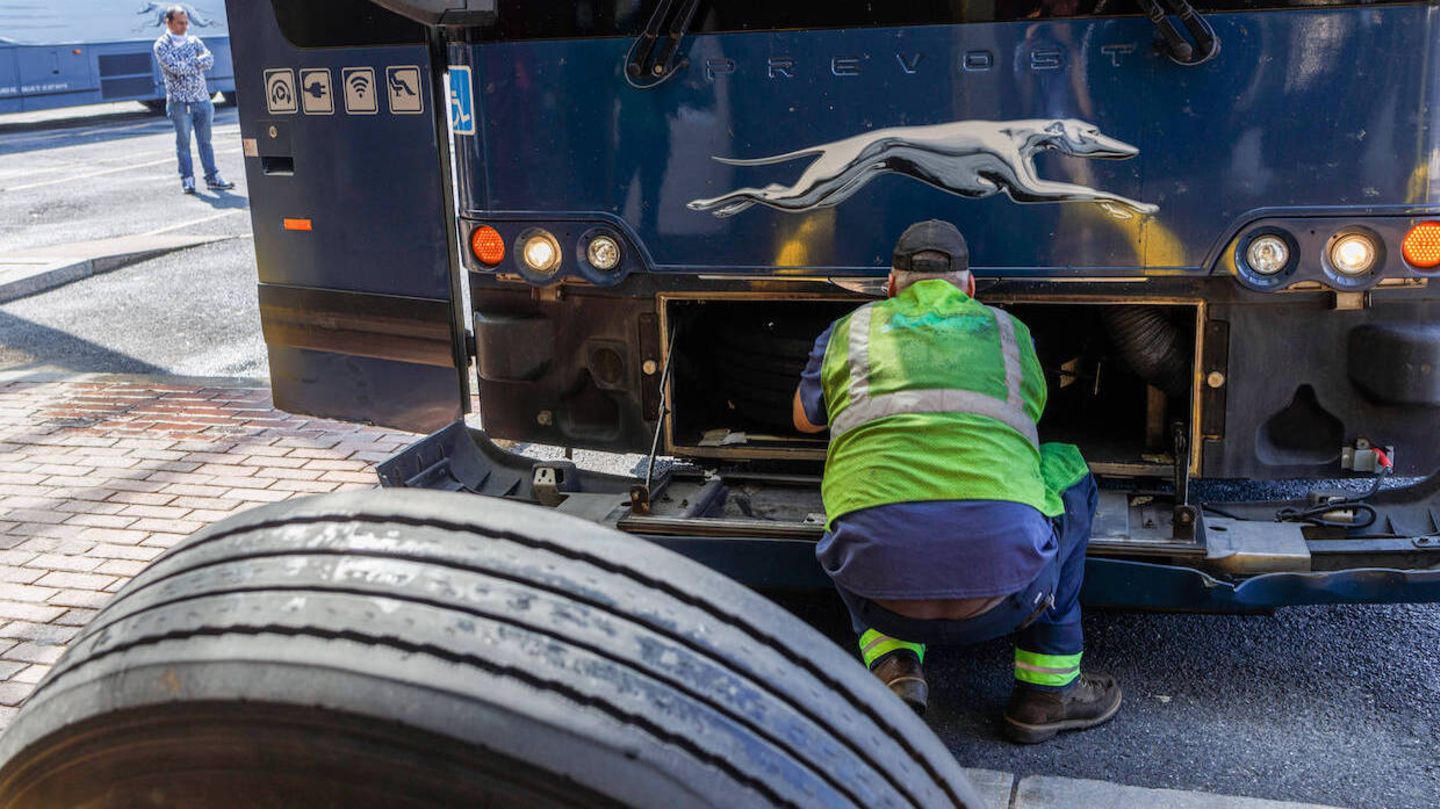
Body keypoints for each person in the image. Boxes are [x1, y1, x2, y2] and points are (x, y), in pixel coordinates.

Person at [792, 219, 1122, 744]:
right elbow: (1032, 413)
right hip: (1009, 598)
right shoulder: (1008, 332)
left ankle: (895, 666)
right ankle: (1046, 694)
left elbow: (805, 419)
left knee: (867, 487)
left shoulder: (851, 329)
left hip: (875, 593)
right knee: (1067, 470)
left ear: (889, 286)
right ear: (970, 288)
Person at [153, 6, 234, 195]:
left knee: (205, 142)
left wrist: (189, 64)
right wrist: (196, 63)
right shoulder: (161, 45)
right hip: (179, 102)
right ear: (169, 22)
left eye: (186, 22)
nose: (184, 26)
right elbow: (174, 68)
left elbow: (209, 60)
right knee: (183, 143)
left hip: (202, 99)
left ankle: (213, 177)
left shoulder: (194, 40)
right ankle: (188, 180)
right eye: (180, 23)